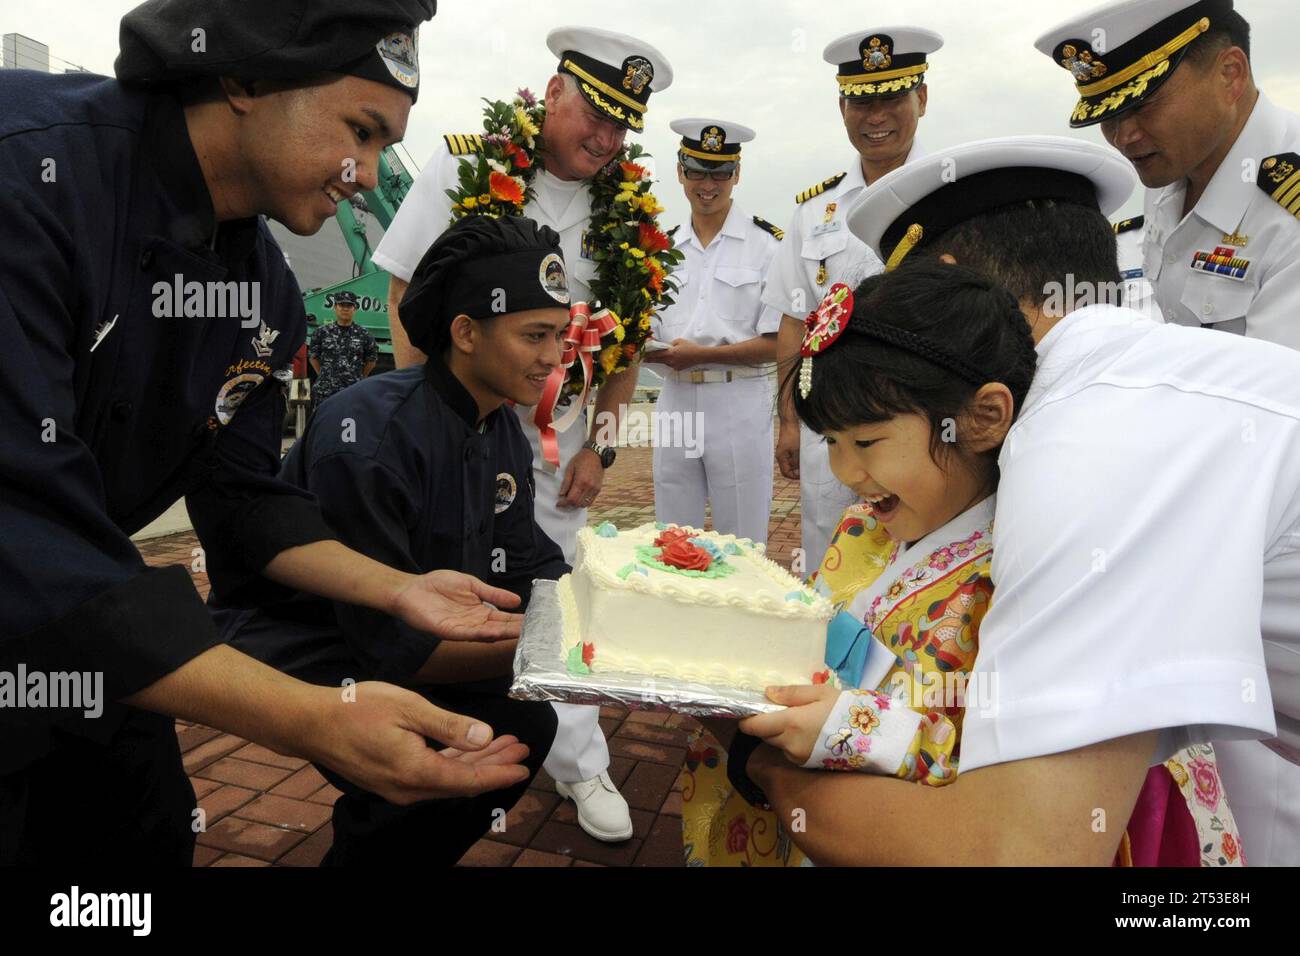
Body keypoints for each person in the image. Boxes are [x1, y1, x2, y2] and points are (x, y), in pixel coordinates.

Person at [0, 0, 534, 868]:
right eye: (359, 130)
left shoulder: (261, 291)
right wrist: (314, 718)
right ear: (245, 75)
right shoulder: (29, 173)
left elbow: (242, 498)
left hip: (85, 647)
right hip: (45, 597)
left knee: (141, 843)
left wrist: (394, 589)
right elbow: (20, 528)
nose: (365, 174)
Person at [722, 134, 1299, 865]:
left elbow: (1021, 852)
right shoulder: (1108, 385)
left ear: (968, 294)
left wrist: (766, 770)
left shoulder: (1087, 447)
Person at [371, 26, 676, 842]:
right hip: (461, 426)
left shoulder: (633, 210)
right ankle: (436, 740)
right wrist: (423, 414)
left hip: (556, 444)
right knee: (444, 589)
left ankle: (578, 761)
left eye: (622, 127)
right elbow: (407, 285)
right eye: (595, 116)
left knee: (557, 592)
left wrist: (601, 447)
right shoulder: (467, 164)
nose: (606, 140)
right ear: (553, 92)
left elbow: (631, 341)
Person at [215, 216, 576, 865]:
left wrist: (614, 607)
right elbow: (398, 652)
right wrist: (578, 653)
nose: (556, 358)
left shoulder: (497, 428)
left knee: (526, 726)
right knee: (459, 758)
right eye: (535, 336)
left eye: (560, 335)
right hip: (307, 650)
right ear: (465, 332)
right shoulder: (370, 439)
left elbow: (530, 566)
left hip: (413, 637)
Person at [764, 26, 941, 578]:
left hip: (925, 419)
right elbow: (794, 321)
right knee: (827, 557)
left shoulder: (950, 193)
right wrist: (789, 420)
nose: (876, 115)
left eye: (892, 96)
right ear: (842, 107)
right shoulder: (813, 213)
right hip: (831, 423)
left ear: (922, 99)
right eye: (860, 101)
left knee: (922, 557)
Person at [1035, 0, 1300, 346]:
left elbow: (1278, 390)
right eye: (1108, 115)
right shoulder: (1169, 169)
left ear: (1230, 74)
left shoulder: (1286, 212)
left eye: (1142, 105)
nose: (1123, 137)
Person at [645, 118, 782, 545]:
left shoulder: (767, 247)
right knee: (673, 534)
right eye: (698, 170)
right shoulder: (658, 248)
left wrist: (702, 355)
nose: (709, 184)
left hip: (738, 402)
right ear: (680, 170)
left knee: (742, 540)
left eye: (720, 172)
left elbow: (778, 342)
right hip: (676, 397)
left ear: (736, 174)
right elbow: (642, 329)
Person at [310, 289, 379, 409]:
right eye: (341, 305)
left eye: (349, 305)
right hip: (325, 392)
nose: (345, 308)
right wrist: (323, 376)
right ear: (335, 307)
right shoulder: (322, 332)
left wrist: (359, 378)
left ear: (354, 309)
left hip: (352, 391)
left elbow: (371, 360)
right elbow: (313, 356)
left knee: (349, 424)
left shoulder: (364, 335)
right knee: (323, 425)